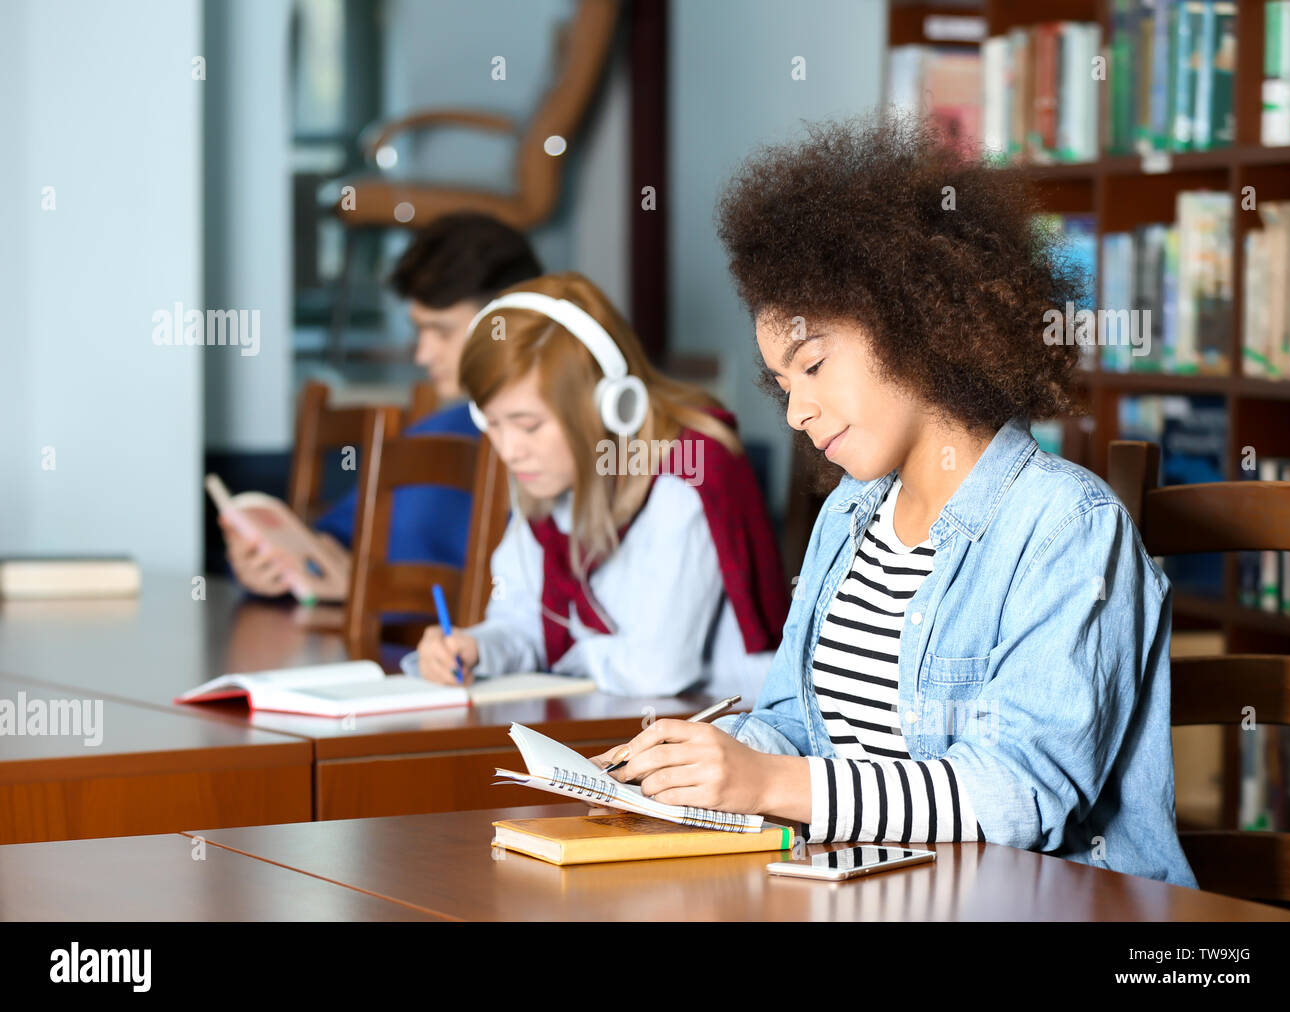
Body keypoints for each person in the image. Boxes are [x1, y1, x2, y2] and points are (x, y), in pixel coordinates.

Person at [589, 112, 1198, 888]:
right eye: (780, 386)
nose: (795, 412)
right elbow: (792, 722)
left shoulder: (1066, 528)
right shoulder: (849, 516)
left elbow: (1021, 794)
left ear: (916, 322)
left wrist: (772, 785)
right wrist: (699, 762)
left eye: (812, 367)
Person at [403, 271, 789, 699]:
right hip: (612, 716)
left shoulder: (687, 474)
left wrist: (565, 656)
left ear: (611, 405)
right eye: (491, 424)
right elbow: (522, 622)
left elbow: (656, 671)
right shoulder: (546, 474)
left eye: (528, 425)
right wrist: (477, 648)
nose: (510, 450)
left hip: (725, 726)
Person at [219, 212, 543, 602]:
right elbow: (333, 540)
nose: (422, 355)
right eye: (418, 330)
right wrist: (266, 566)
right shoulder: (430, 432)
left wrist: (367, 592)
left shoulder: (551, 451)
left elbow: (520, 608)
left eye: (442, 331)